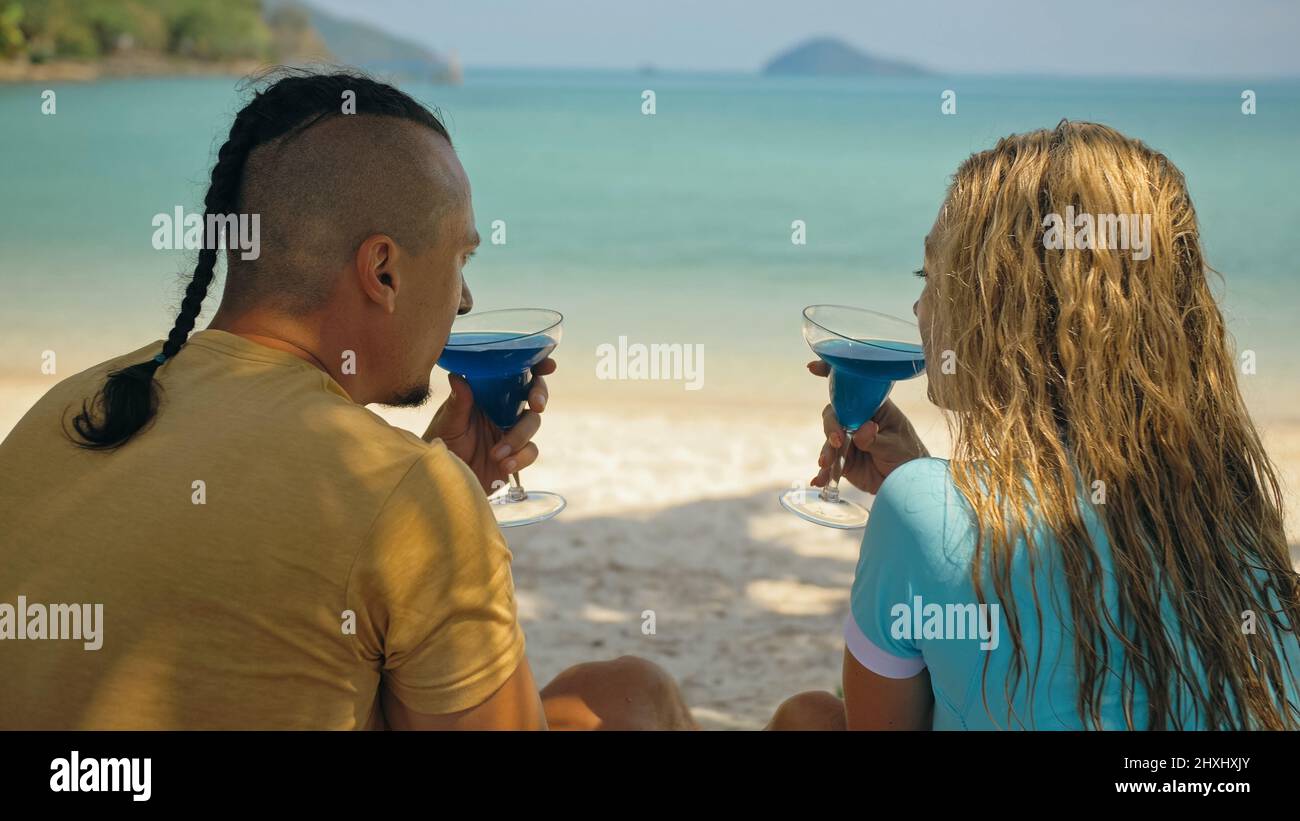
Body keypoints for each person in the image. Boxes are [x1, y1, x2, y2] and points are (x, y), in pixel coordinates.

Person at [0, 70, 694, 731]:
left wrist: (435, 487)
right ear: (384, 270)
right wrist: (433, 506)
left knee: (620, 693)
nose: (465, 299)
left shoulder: (63, 409)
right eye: (462, 259)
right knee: (639, 692)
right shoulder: (407, 496)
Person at [771, 120, 1300, 730]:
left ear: (1002, 303)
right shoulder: (1223, 507)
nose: (918, 309)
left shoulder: (919, 511)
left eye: (930, 277)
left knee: (783, 715)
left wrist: (919, 497)